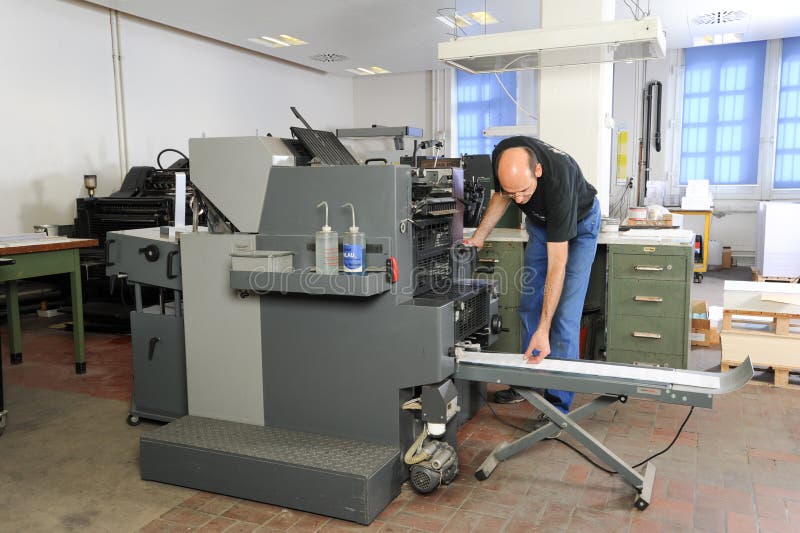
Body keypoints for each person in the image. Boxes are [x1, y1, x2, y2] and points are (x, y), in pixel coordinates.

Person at [465, 136, 600, 415]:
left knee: (564, 315)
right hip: (540, 226)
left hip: (580, 224)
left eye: (524, 191)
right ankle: (528, 382)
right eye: (513, 192)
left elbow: (557, 265)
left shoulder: (558, 183)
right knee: (529, 304)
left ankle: (556, 406)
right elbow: (501, 197)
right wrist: (478, 237)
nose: (519, 199)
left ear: (537, 171)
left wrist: (543, 329)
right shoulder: (502, 156)